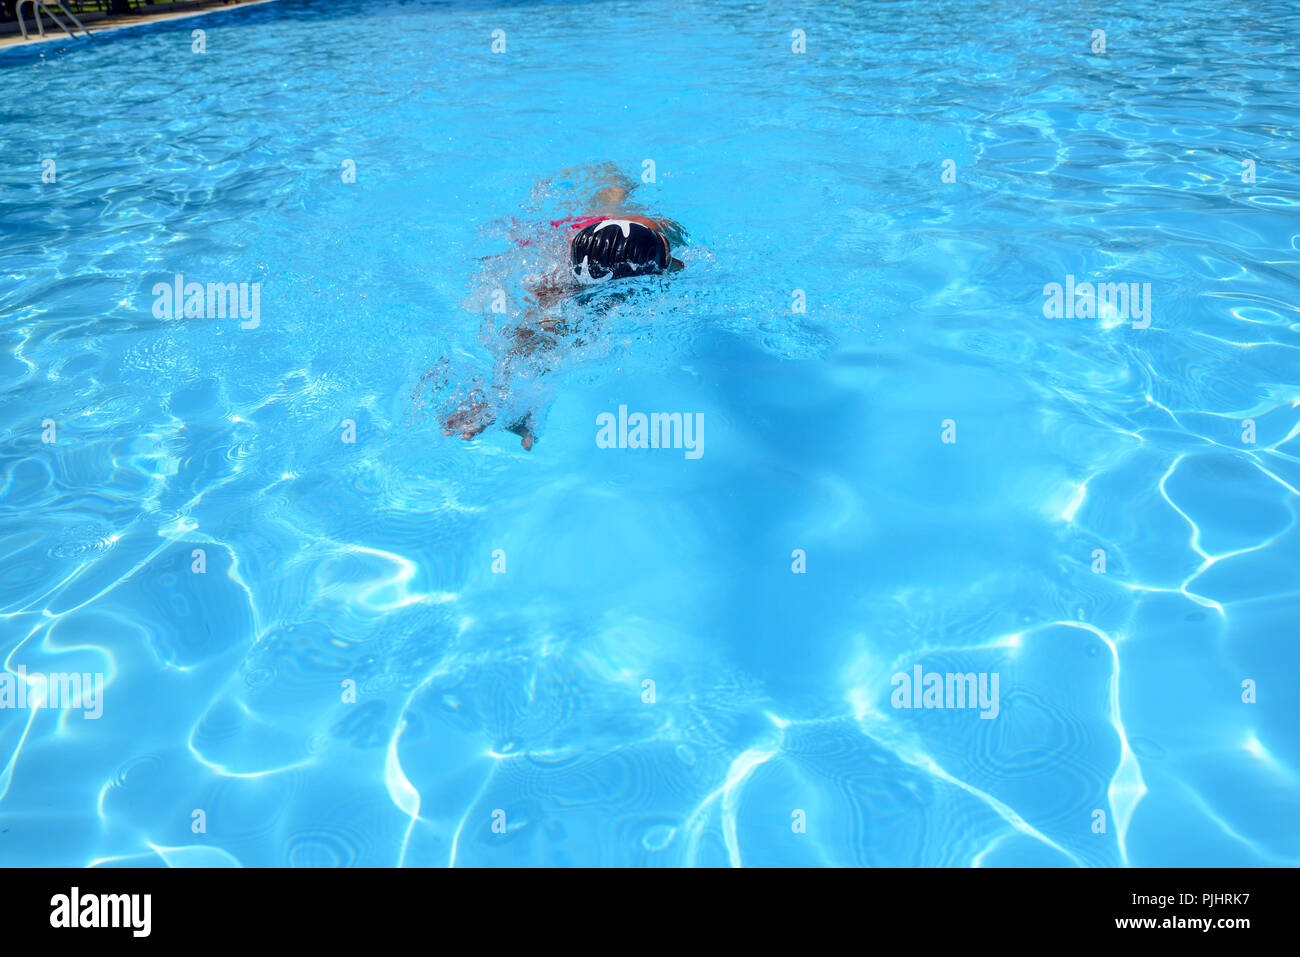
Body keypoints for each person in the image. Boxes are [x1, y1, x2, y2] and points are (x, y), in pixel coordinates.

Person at [437, 181, 685, 449]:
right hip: (580, 237)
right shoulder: (553, 286)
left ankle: (611, 182)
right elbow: (528, 340)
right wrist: (505, 401)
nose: (676, 263)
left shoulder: (655, 227)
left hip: (592, 234)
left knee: (614, 189)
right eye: (668, 260)